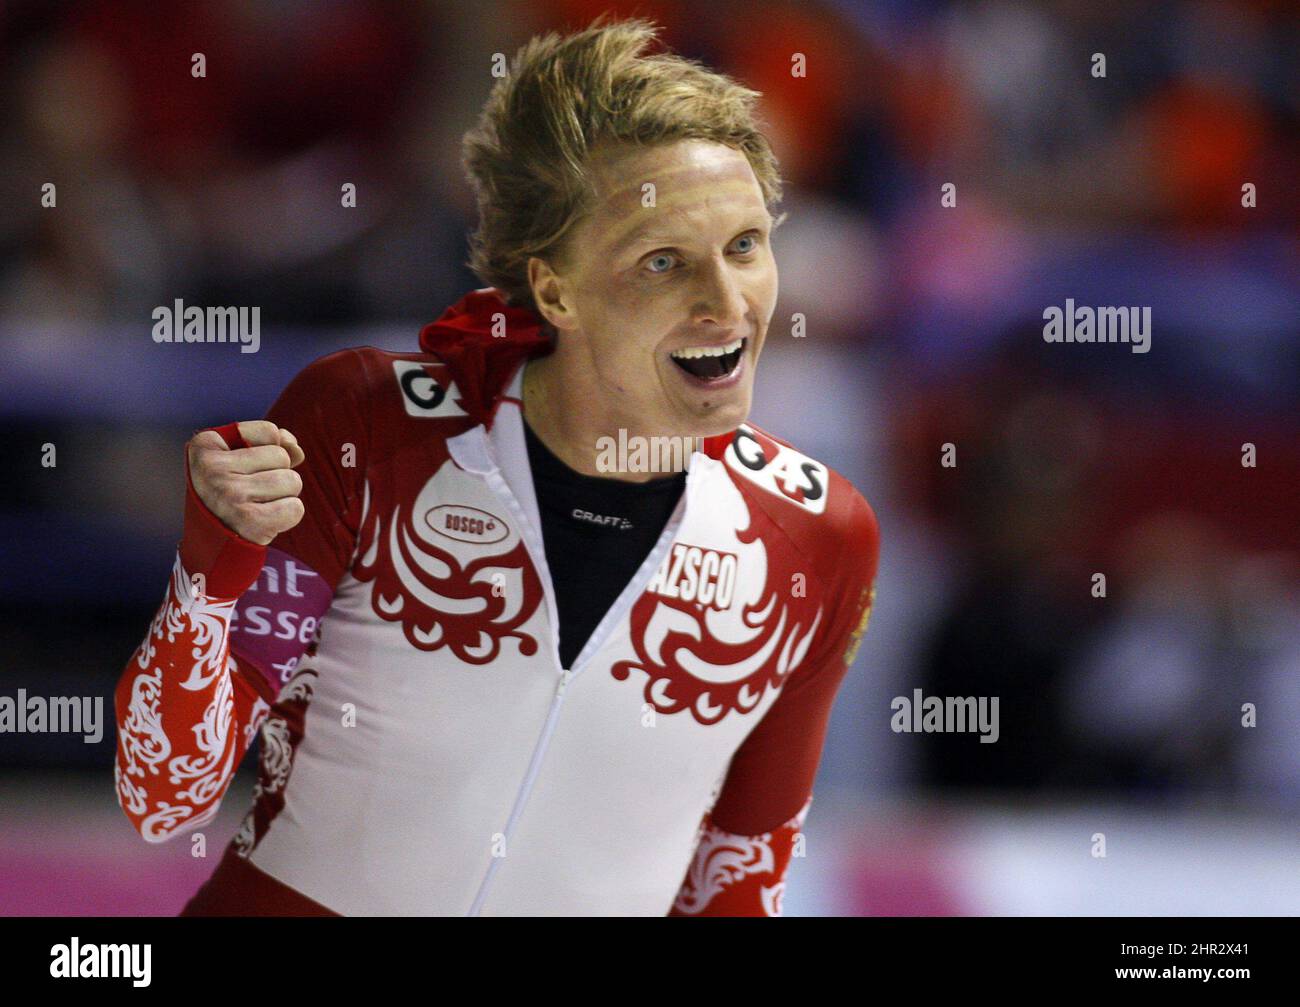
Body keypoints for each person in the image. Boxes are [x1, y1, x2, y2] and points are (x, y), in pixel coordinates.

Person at [112, 14, 879, 916]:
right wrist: (213, 571)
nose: (727, 304)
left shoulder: (815, 537)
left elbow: (738, 885)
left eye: (746, 246)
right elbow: (162, 797)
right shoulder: (369, 433)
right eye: (663, 262)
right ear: (553, 288)